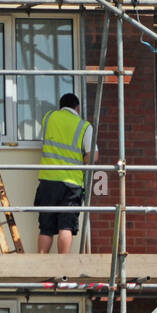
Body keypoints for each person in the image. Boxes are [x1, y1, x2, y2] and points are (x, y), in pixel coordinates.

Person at [35, 92, 94, 254]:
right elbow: (92, 156)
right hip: (71, 183)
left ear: (61, 106)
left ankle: (41, 266)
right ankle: (63, 269)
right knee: (66, 226)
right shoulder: (84, 126)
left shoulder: (48, 118)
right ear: (77, 108)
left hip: (47, 181)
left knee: (46, 228)